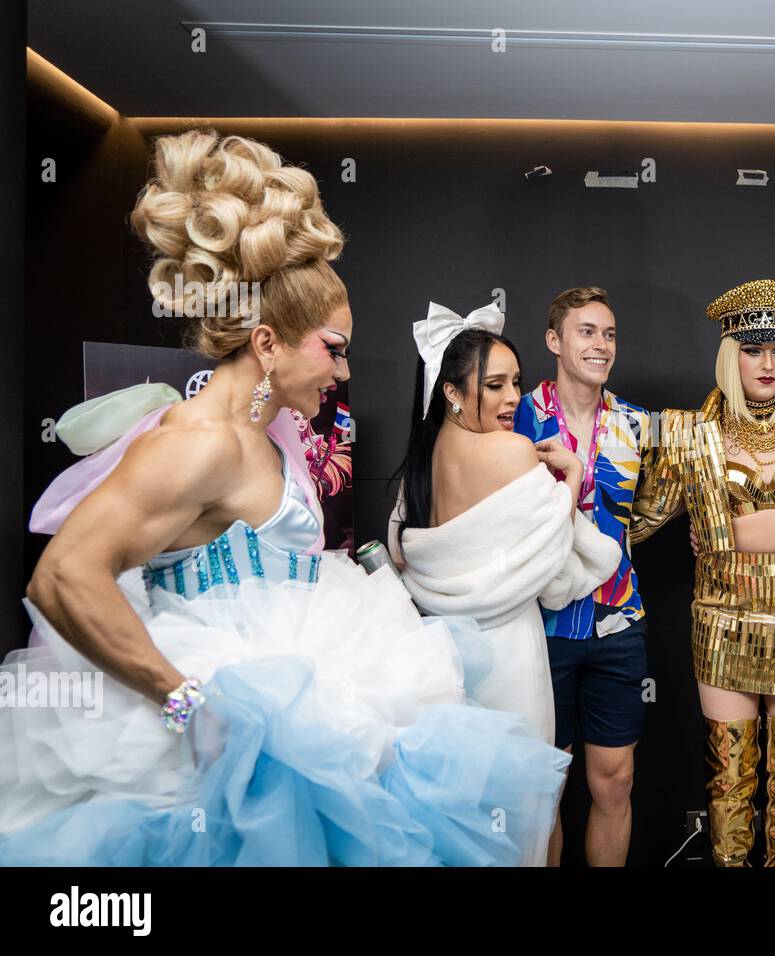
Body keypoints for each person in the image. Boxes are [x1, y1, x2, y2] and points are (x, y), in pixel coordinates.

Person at [0, 129, 570, 866]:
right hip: (217, 735)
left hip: (299, 719)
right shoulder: (200, 438)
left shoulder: (272, 439)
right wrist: (185, 702)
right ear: (267, 344)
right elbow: (62, 577)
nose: (341, 371)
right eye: (332, 349)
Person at [632, 278, 775, 867]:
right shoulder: (692, 433)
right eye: (753, 348)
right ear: (730, 353)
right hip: (725, 611)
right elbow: (635, 523)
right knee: (729, 778)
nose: (768, 363)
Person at [388, 306, 622, 758]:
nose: (514, 396)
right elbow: (558, 551)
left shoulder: (420, 465)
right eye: (495, 385)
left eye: (516, 381)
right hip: (509, 651)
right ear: (451, 392)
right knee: (526, 799)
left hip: (441, 656)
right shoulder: (512, 450)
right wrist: (571, 474)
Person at [511, 287, 653, 867]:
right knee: (544, 789)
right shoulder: (515, 415)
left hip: (618, 622)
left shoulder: (638, 424)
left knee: (614, 781)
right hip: (538, 625)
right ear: (554, 341)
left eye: (610, 333)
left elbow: (650, 509)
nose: (601, 345)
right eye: (587, 331)